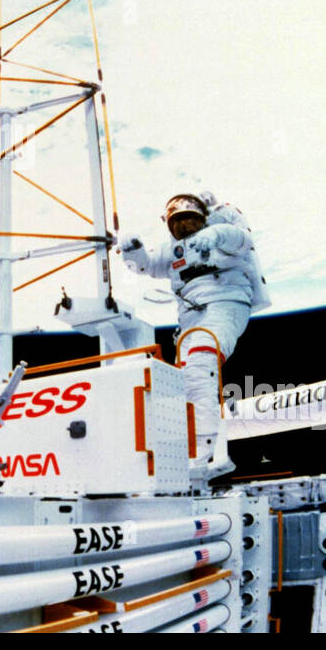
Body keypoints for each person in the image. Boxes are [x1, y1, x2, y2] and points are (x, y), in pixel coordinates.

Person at [119, 192, 269, 483]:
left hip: (225, 306)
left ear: (202, 218)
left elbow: (242, 240)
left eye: (190, 220)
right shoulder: (173, 251)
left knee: (201, 359)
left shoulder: (221, 235)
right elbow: (146, 266)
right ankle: (192, 451)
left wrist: (215, 236)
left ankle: (205, 451)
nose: (184, 227)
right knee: (183, 381)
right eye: (178, 222)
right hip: (191, 319)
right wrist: (132, 251)